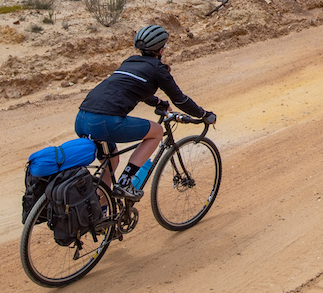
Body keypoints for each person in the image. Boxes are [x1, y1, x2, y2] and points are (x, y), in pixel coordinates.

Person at [74, 24, 216, 199]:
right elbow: (180, 99)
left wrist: (158, 102)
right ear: (162, 48)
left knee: (110, 162)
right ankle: (125, 182)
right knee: (156, 132)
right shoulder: (158, 68)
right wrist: (203, 114)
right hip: (105, 122)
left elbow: (134, 88)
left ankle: (102, 216)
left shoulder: (130, 62)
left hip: (81, 118)